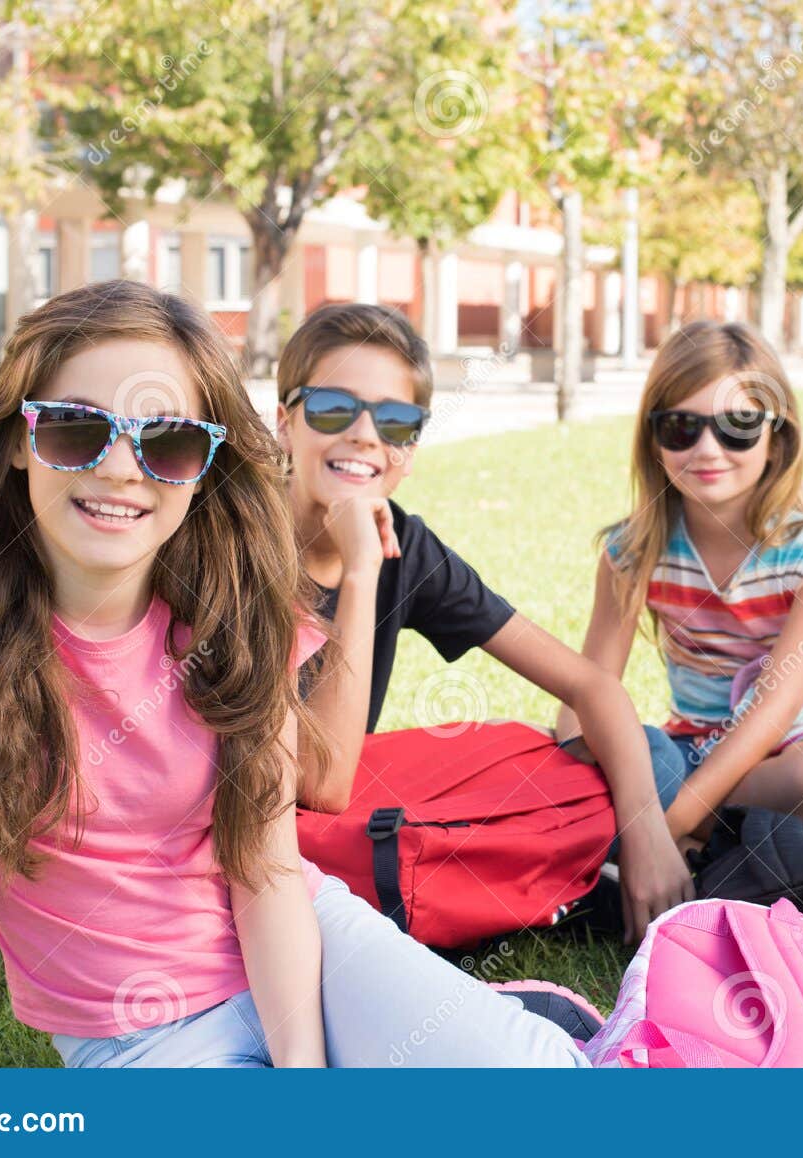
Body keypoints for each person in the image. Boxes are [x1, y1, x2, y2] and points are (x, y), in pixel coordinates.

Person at [0, 281, 587, 1068]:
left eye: (166, 442)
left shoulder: (236, 604)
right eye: (74, 430)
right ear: (17, 441)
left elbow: (266, 871)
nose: (122, 469)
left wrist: (301, 1072)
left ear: (204, 467)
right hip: (137, 1031)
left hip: (308, 949)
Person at [277, 303, 692, 940]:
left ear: (408, 452)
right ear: (285, 423)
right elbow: (320, 784)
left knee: (646, 757)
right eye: (333, 408)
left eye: (394, 421)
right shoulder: (239, 542)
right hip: (264, 841)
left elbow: (591, 688)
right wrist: (362, 570)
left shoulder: (408, 548)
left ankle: (587, 867)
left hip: (344, 825)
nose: (364, 435)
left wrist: (648, 839)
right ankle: (561, 877)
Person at [560, 321, 803, 846]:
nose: (708, 451)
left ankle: (679, 831)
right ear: (653, 440)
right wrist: (572, 763)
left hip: (785, 746)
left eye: (738, 425)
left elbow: (773, 710)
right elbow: (588, 689)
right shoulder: (631, 551)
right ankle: (719, 833)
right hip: (686, 749)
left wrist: (666, 825)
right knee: (578, 751)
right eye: (681, 428)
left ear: (776, 437)